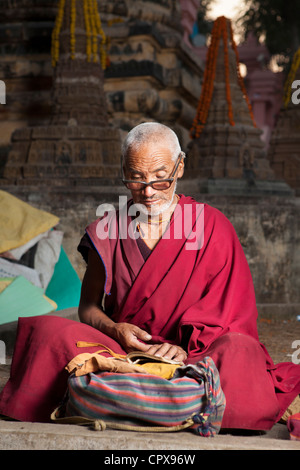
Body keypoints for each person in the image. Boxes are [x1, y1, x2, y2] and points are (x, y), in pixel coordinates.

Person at [0, 122, 299, 430]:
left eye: (160, 178)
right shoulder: (109, 228)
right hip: (126, 351)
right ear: (124, 170)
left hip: (196, 356)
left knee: (241, 350)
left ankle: (124, 394)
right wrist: (116, 330)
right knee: (48, 332)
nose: (147, 192)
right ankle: (179, 397)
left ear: (179, 167)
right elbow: (88, 307)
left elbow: (234, 318)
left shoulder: (212, 226)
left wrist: (184, 350)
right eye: (136, 178)